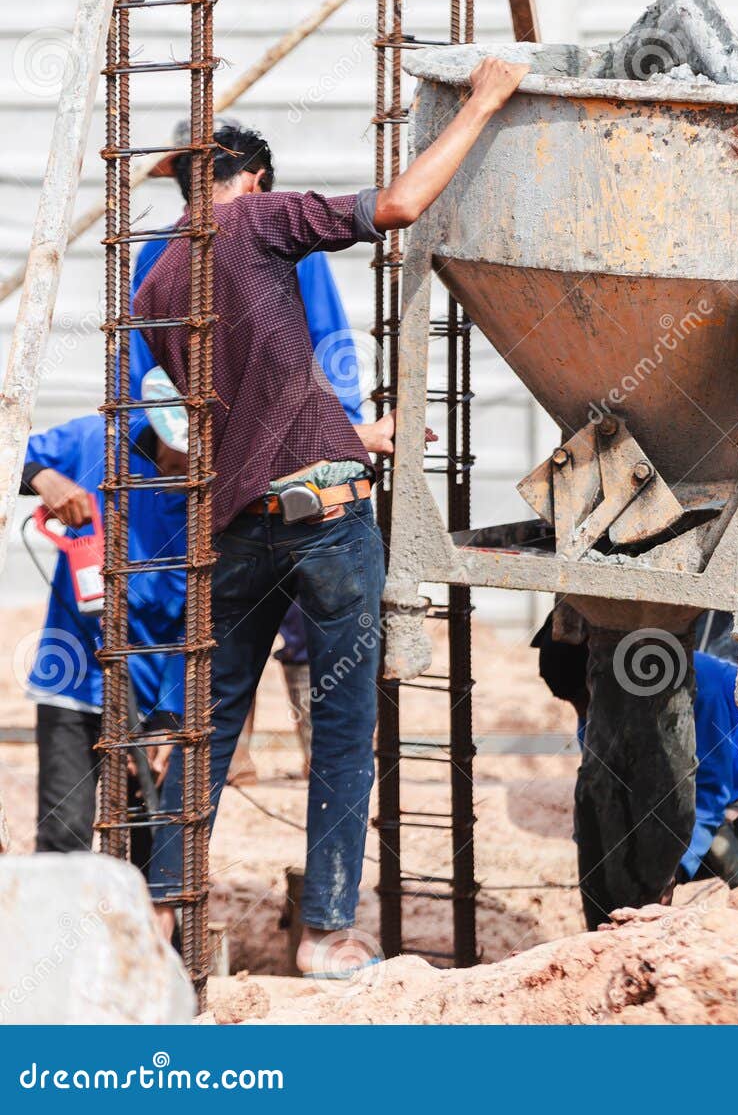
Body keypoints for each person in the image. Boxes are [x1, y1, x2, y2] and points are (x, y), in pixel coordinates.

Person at [135, 55, 529, 975]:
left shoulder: (155, 287)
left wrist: (354, 429)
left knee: (207, 724)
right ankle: (326, 934)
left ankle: (155, 918)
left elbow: (245, 404)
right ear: (251, 178)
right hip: (329, 524)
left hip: (240, 526)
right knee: (347, 729)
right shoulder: (257, 218)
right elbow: (396, 205)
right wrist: (483, 102)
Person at [136, 118, 365, 785]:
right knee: (295, 605)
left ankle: (221, 751)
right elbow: (328, 344)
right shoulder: (279, 236)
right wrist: (350, 430)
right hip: (281, 464)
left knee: (215, 606)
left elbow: (137, 373)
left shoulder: (155, 257)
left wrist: (165, 445)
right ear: (256, 179)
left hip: (194, 463)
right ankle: (308, 750)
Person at [535, 620, 738, 917]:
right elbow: (607, 794)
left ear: (601, 675)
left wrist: (672, 871)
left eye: (587, 700)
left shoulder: (693, 687)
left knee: (726, 841)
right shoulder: (600, 706)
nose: (584, 716)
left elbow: (708, 795)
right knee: (639, 852)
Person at [17, 389, 189, 864]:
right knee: (64, 837)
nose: (185, 464)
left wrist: (170, 721)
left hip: (156, 697)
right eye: (177, 450)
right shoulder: (97, 440)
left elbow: (207, 624)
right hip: (72, 683)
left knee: (155, 845)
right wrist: (41, 476)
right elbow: (11, 449)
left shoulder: (215, 499)